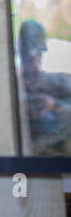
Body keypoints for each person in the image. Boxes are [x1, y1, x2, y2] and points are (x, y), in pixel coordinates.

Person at [17, 19, 71, 154]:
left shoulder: (58, 82)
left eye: (36, 53)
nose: (32, 59)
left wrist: (54, 105)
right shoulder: (16, 85)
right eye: (27, 54)